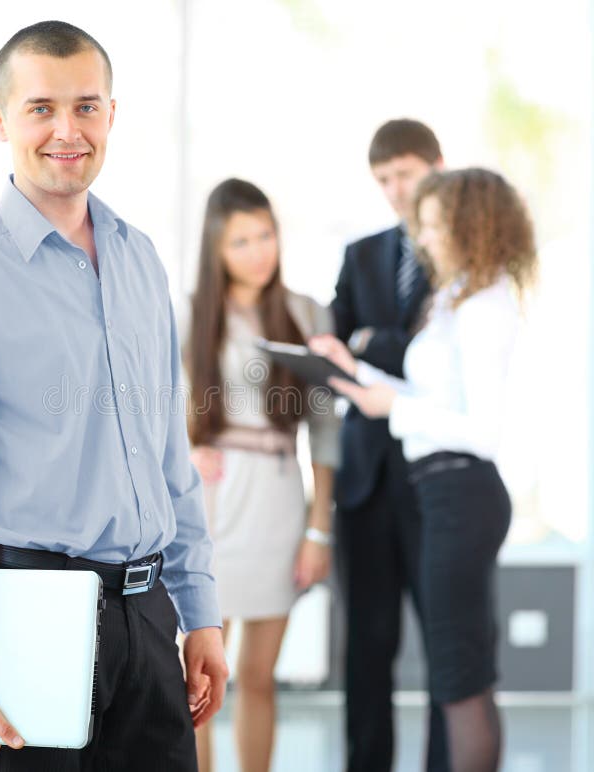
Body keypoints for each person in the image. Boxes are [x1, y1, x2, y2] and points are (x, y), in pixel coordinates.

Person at [0, 20, 227, 771]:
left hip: (148, 617)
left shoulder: (140, 262)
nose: (67, 130)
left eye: (86, 106)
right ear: (0, 121)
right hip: (23, 628)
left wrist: (201, 615)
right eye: (41, 108)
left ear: (110, 116)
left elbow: (171, 461)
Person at [313, 167, 536, 772]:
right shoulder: (453, 298)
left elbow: (481, 432)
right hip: (441, 490)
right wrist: (356, 373)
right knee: (461, 670)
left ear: (470, 225)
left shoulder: (485, 304)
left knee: (461, 676)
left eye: (435, 225)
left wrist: (396, 407)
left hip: (463, 492)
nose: (426, 236)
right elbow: (426, 394)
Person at [180, 178, 341, 772]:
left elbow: (325, 431)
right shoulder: (193, 311)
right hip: (212, 504)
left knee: (257, 677)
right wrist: (183, 453)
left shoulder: (305, 312)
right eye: (241, 240)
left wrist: (318, 529)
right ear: (216, 248)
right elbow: (143, 407)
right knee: (196, 680)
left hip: (278, 499)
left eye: (265, 234)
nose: (258, 251)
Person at [328, 118, 448, 771]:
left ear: (436, 165)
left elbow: (437, 359)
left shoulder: (463, 253)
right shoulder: (361, 254)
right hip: (366, 479)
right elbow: (337, 345)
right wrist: (366, 346)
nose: (394, 190)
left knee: (444, 644)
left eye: (404, 173)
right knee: (366, 647)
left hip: (437, 475)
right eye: (383, 180)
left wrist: (377, 343)